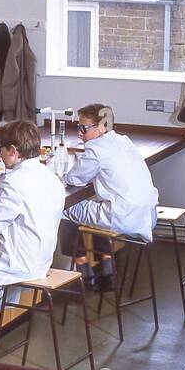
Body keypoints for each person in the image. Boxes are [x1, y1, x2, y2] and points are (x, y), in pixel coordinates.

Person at [0, 119, 64, 312]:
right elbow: (26, 209)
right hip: (40, 262)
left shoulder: (15, 181)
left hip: (15, 267)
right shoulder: (50, 177)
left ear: (13, 150)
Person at [57, 103, 158, 291]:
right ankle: (107, 270)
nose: (79, 133)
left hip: (124, 217)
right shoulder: (124, 141)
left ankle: (84, 276)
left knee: (61, 207)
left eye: (83, 128)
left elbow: (74, 179)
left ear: (102, 127)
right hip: (147, 215)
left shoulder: (96, 149)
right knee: (95, 208)